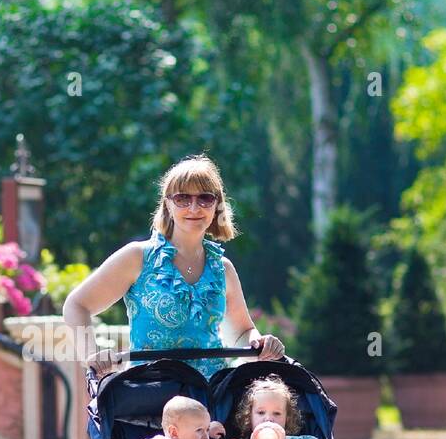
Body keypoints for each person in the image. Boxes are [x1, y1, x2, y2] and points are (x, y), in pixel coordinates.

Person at [62, 153, 286, 379]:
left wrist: (259, 343)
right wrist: (91, 354)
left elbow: (240, 333)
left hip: (212, 396)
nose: (194, 207)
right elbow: (76, 305)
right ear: (167, 204)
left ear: (217, 205)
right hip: (151, 397)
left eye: (205, 198)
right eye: (182, 198)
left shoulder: (223, 269)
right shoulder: (138, 257)